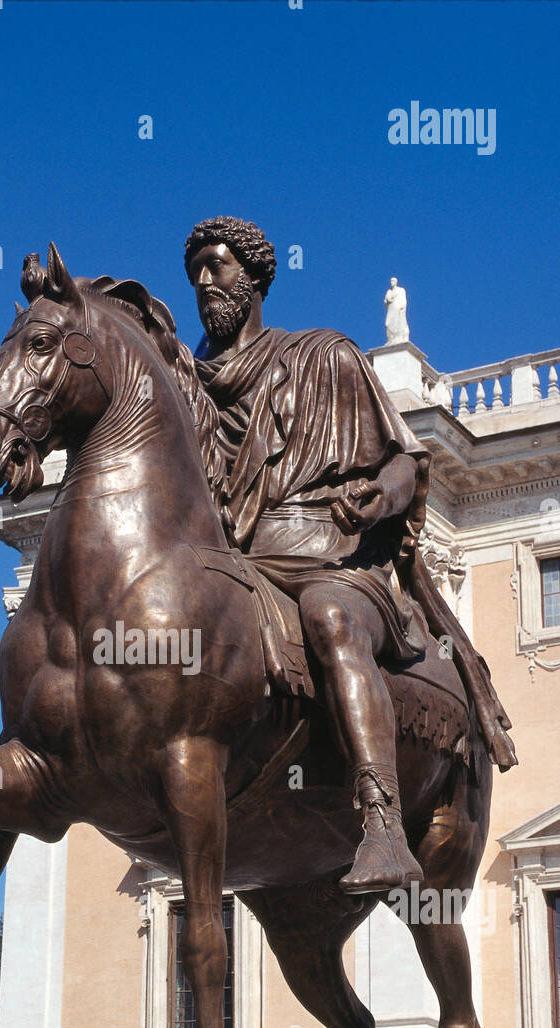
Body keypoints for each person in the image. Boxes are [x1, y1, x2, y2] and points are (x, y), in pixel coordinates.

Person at [184, 216, 515, 893]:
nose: (203, 281)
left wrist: (375, 504)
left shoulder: (324, 357)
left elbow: (403, 463)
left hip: (329, 558)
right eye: (195, 272)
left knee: (331, 621)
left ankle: (383, 821)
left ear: (252, 278)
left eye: (216, 266)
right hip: (236, 559)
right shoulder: (188, 389)